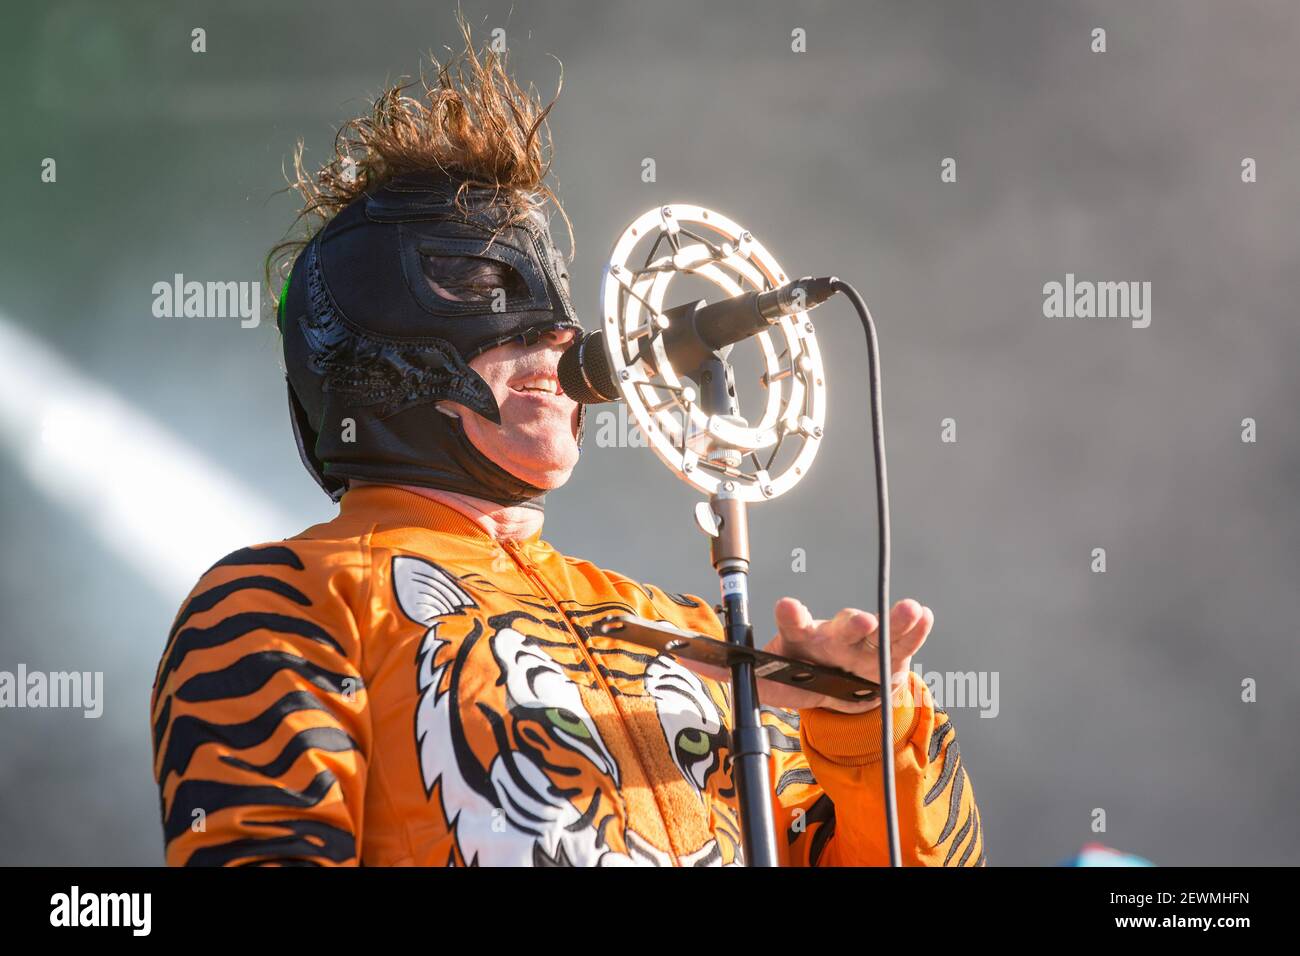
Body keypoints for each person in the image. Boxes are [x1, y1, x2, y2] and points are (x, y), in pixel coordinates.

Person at [149, 25, 984, 867]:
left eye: (558, 298)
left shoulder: (686, 632)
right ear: (371, 353)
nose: (560, 332)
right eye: (482, 285)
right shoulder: (283, 598)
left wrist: (864, 730)